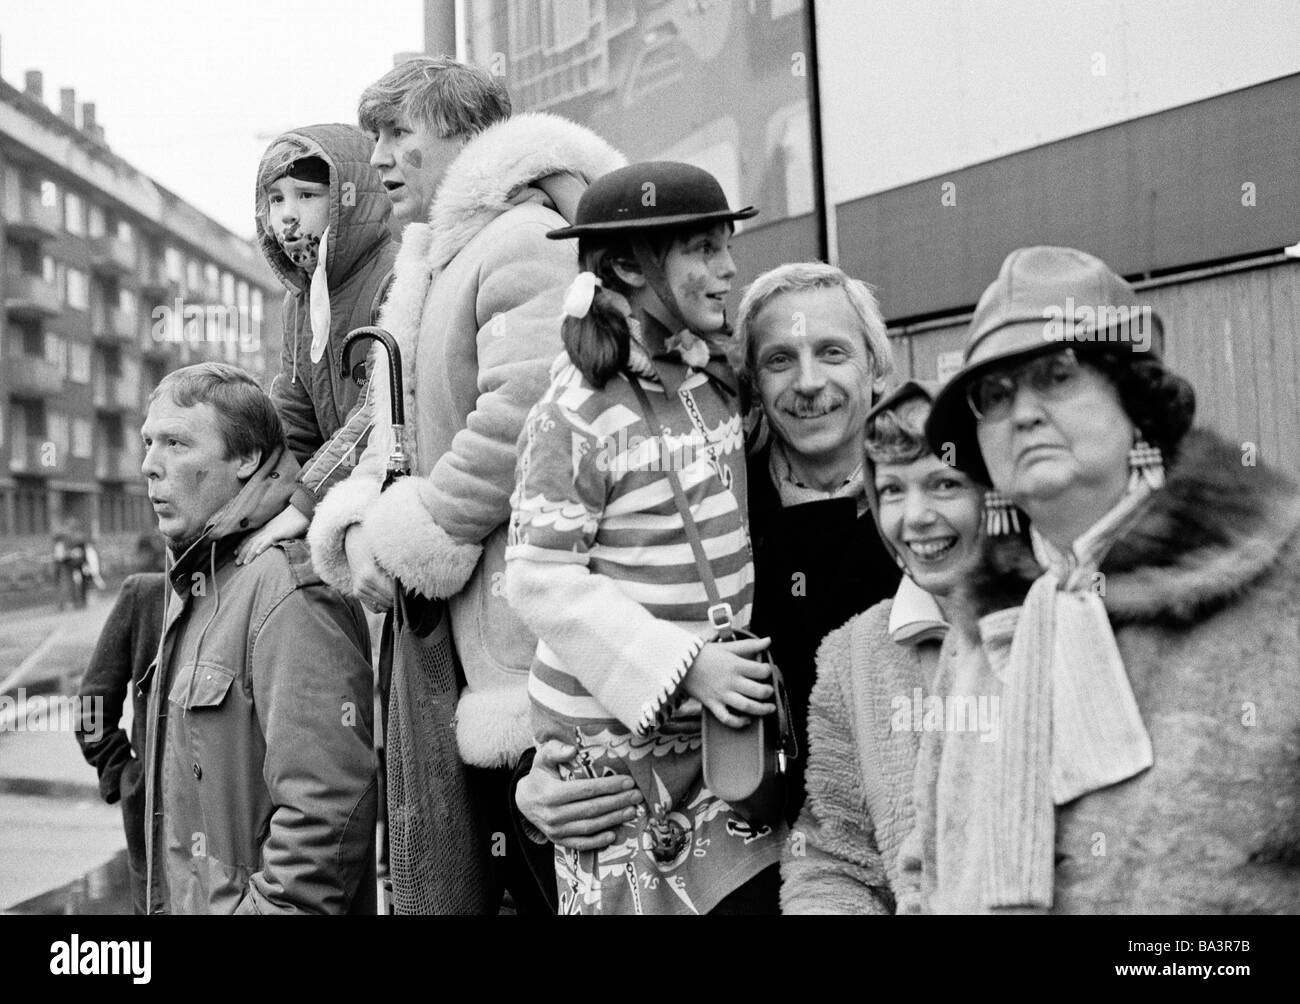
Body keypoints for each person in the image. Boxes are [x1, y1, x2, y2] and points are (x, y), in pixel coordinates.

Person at [307, 55, 624, 913]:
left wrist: (417, 534)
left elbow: (526, 413)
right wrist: (357, 523)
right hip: (492, 643)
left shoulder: (519, 238)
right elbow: (404, 437)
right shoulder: (455, 253)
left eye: (397, 133)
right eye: (372, 135)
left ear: (467, 136)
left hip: (531, 656)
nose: (376, 159)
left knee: (539, 883)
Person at [907, 245, 1300, 913]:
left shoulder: (1281, 589)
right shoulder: (982, 632)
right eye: (993, 396)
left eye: (1056, 375)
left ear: (1137, 397)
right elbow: (929, 870)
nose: (1022, 412)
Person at [514, 262, 903, 882]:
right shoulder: (712, 505)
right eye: (779, 360)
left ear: (876, 366)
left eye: (832, 352)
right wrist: (540, 782)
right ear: (748, 380)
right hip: (758, 864)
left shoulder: (936, 508)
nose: (808, 383)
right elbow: (583, 633)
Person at [506, 161, 783, 915]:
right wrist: (686, 665)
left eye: (726, 244)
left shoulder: (710, 378)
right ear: (628, 265)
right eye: (701, 248)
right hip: (612, 760)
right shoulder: (574, 412)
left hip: (713, 745)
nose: (728, 269)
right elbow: (537, 577)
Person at [139, 363, 377, 914]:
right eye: (149, 442)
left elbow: (325, 810)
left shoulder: (287, 588)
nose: (150, 466)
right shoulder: (202, 579)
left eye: (176, 443)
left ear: (246, 459)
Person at [781, 381, 983, 913]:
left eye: (944, 484)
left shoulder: (1060, 619)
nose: (914, 516)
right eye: (892, 489)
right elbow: (833, 858)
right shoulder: (853, 653)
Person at [236, 124, 398, 564]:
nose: (288, 215)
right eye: (276, 199)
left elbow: (380, 411)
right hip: (341, 498)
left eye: (307, 195)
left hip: (396, 501)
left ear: (348, 199)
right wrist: (240, 510)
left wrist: (303, 505)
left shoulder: (395, 277)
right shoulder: (299, 303)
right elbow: (292, 422)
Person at [74, 571, 166, 915]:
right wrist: (128, 778)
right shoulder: (146, 596)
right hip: (157, 843)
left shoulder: (253, 588)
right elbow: (92, 709)